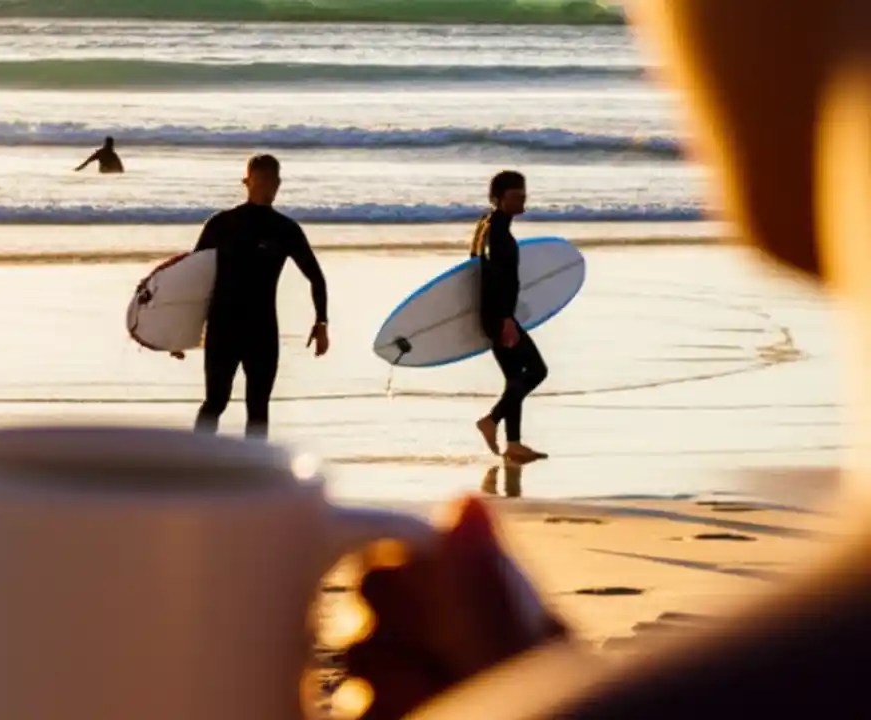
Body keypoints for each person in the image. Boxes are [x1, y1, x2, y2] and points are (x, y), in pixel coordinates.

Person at [344, 1, 871, 718]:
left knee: (529, 376)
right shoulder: (494, 233)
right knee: (527, 373)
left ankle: (503, 429)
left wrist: (528, 702)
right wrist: (526, 680)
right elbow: (494, 283)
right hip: (497, 322)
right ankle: (503, 429)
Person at [178, 154, 329, 439]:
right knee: (216, 402)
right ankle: (194, 463)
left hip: (261, 331)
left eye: (270, 182)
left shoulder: (286, 230)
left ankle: (255, 474)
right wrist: (180, 332)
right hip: (224, 328)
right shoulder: (221, 224)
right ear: (246, 182)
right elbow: (193, 277)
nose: (264, 187)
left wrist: (321, 323)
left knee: (258, 408)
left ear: (278, 184)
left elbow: (315, 277)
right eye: (259, 181)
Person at [471, 170, 547, 463]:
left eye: (523, 193)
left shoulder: (490, 226)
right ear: (498, 199)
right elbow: (495, 280)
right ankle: (491, 420)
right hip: (499, 315)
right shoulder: (498, 235)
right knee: (536, 371)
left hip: (497, 314)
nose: (521, 199)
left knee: (516, 377)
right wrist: (505, 320)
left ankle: (513, 444)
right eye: (515, 195)